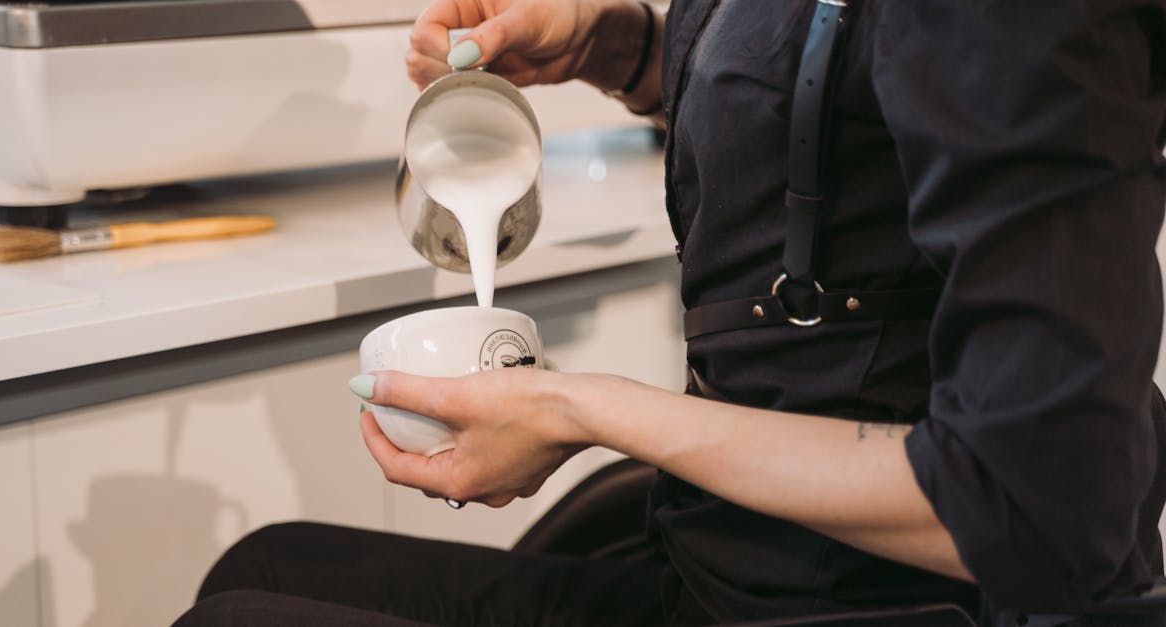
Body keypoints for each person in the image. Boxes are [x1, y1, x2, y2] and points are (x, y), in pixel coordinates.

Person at [173, 0, 1166, 625]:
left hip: (869, 601)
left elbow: (1040, 511)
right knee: (262, 566)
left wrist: (582, 412)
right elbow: (844, 104)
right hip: (718, 568)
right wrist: (620, 45)